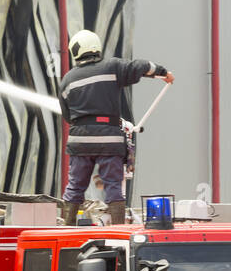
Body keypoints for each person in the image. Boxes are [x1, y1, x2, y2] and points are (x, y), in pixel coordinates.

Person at [58, 29, 174, 226]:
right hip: (108, 140)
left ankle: (67, 228)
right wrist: (163, 73)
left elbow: (67, 115)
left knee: (75, 187)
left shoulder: (67, 79)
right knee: (113, 186)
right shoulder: (111, 67)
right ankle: (119, 229)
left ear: (75, 52)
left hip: (80, 141)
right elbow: (141, 66)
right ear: (96, 47)